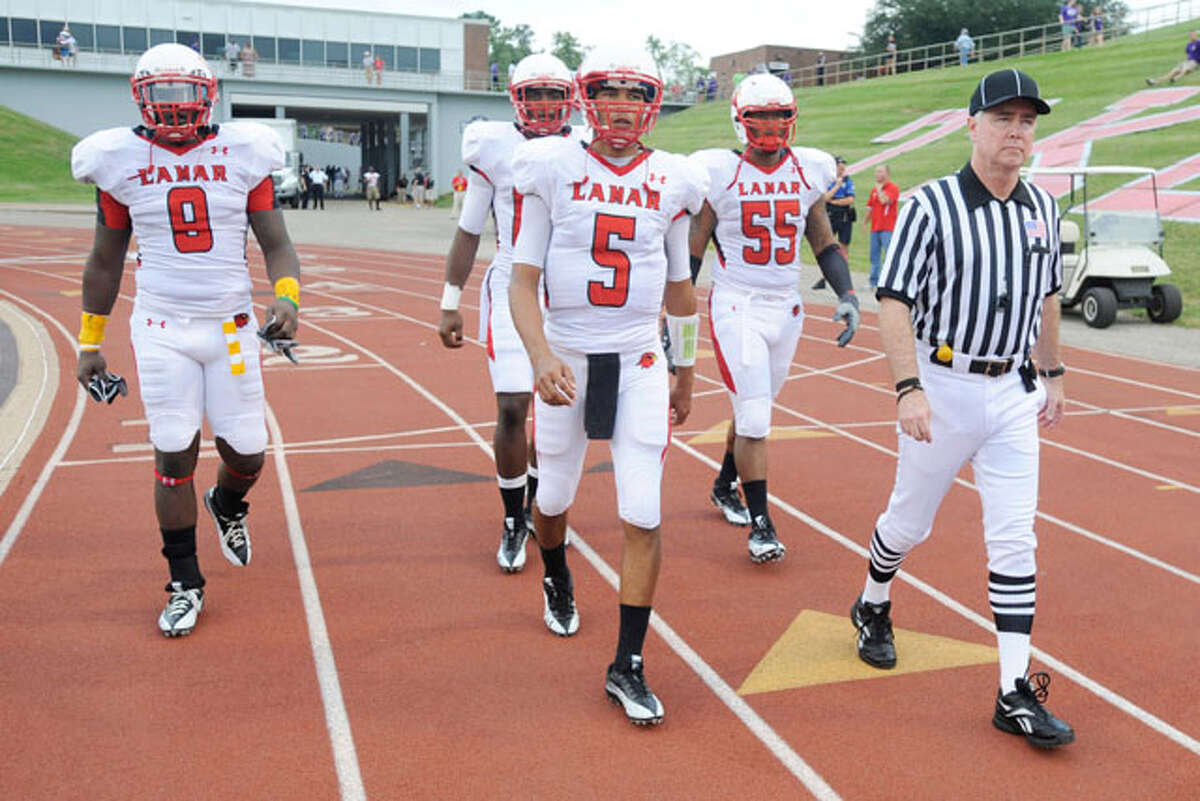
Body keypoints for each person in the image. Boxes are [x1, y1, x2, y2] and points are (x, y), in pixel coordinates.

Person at [849, 68, 1074, 749]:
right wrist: (907, 385)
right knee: (908, 522)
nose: (1016, 130)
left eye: (1027, 120)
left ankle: (1013, 690)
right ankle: (873, 601)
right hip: (942, 384)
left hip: (1011, 392)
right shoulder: (928, 206)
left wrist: (1054, 369)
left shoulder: (1044, 208)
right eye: (1003, 117)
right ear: (970, 124)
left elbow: (1047, 295)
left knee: (1014, 536)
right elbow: (894, 299)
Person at [71, 43, 301, 637]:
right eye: (162, 94)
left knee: (247, 451)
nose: (174, 108)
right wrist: (88, 342)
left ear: (208, 94)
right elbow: (105, 260)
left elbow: (276, 241)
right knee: (173, 450)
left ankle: (226, 503)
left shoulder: (244, 153)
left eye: (184, 93)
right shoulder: (118, 160)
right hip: (161, 328)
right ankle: (184, 581)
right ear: (140, 97)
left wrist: (287, 296)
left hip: (230, 328)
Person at [508, 47, 708, 726]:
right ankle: (557, 570)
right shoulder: (554, 168)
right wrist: (537, 353)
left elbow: (681, 290)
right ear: (587, 98)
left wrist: (686, 368)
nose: (622, 104)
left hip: (638, 365)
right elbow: (521, 279)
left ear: (652, 100)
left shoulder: (673, 180)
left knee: (644, 511)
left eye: (634, 92)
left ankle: (627, 662)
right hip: (566, 360)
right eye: (609, 91)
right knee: (556, 495)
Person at [689, 75, 860, 563]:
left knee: (752, 410)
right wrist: (672, 312)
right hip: (737, 302)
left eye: (778, 115)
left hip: (787, 308)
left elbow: (823, 241)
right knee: (757, 414)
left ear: (792, 118)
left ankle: (725, 483)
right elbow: (694, 252)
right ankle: (762, 524)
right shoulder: (718, 172)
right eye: (759, 116)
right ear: (740, 120)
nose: (769, 126)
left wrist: (847, 292)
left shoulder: (809, 170)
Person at [438, 53, 583, 573]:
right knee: (512, 408)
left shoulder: (585, 147)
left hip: (566, 289)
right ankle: (510, 516)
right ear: (516, 99)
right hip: (508, 283)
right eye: (535, 94)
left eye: (553, 93)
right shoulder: (492, 147)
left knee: (558, 412)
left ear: (570, 97)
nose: (544, 105)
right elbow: (470, 228)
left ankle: (540, 508)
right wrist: (450, 300)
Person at [814, 156, 855, 290]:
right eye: (840, 167)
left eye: (843, 167)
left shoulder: (847, 181)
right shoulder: (828, 180)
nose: (842, 170)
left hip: (843, 216)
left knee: (843, 247)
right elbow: (824, 197)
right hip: (830, 215)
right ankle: (824, 278)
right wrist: (837, 186)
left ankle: (843, 278)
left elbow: (850, 199)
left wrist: (835, 201)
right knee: (827, 247)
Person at [864, 164, 899, 289]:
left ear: (887, 174)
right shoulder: (874, 190)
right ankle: (874, 281)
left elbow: (885, 200)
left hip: (887, 228)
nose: (877, 174)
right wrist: (865, 222)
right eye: (876, 172)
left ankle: (888, 281)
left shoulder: (893, 188)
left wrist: (879, 190)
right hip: (875, 227)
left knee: (889, 254)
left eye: (880, 172)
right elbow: (870, 206)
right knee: (874, 256)